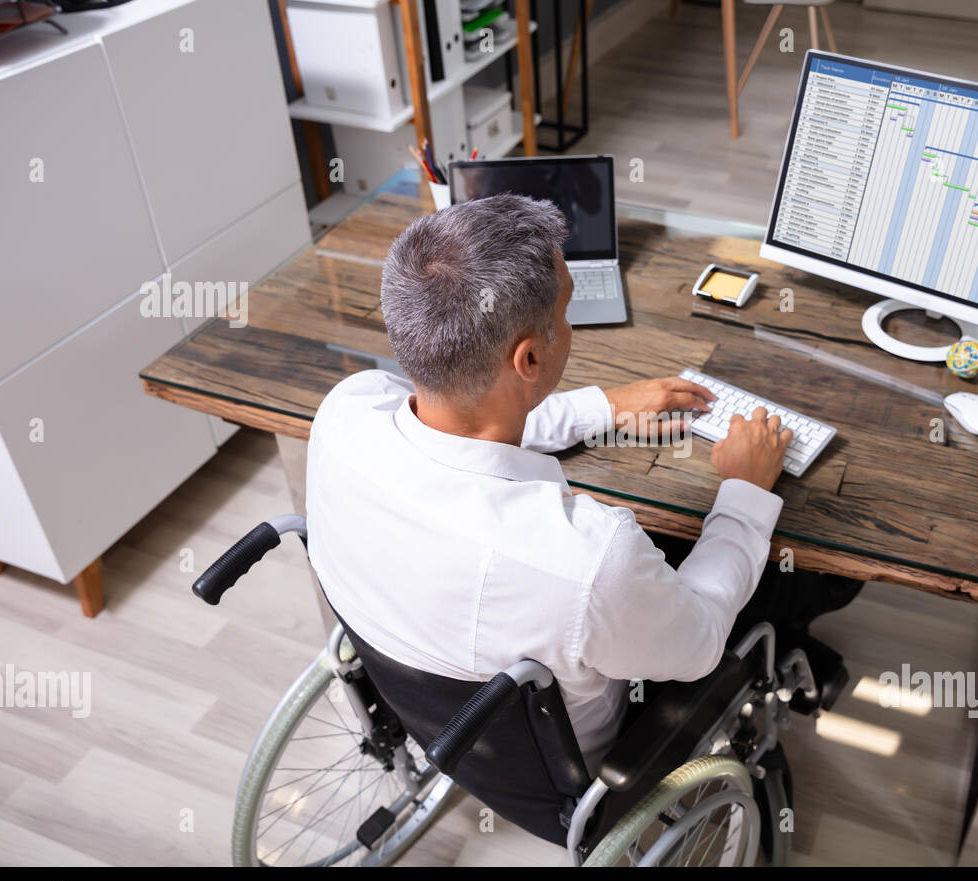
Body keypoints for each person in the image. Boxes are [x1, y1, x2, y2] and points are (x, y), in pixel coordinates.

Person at [307, 193, 856, 776]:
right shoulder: (588, 561)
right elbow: (699, 642)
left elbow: (460, 422)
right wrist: (747, 492)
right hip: (590, 752)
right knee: (818, 579)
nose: (569, 325)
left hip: (442, 719)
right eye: (566, 312)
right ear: (530, 359)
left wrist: (602, 406)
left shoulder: (347, 409)